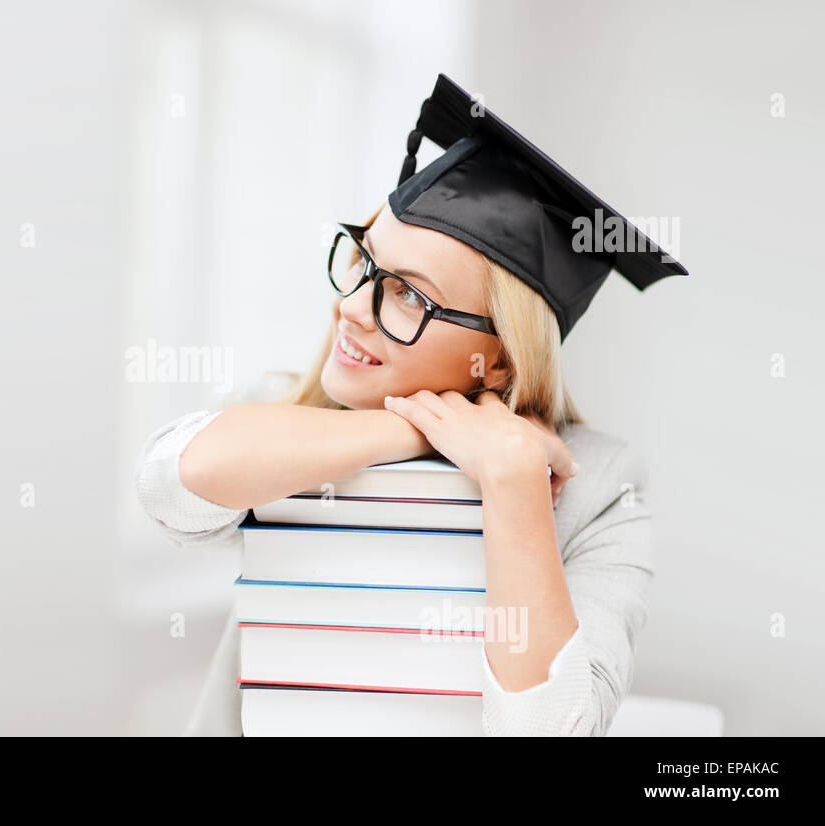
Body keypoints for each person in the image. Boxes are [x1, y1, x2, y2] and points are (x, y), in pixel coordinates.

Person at [135, 75, 687, 736]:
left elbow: (553, 729)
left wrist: (512, 479)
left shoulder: (598, 485)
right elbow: (170, 484)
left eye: (407, 296)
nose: (350, 307)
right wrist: (414, 427)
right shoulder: (284, 416)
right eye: (364, 264)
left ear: (504, 358)